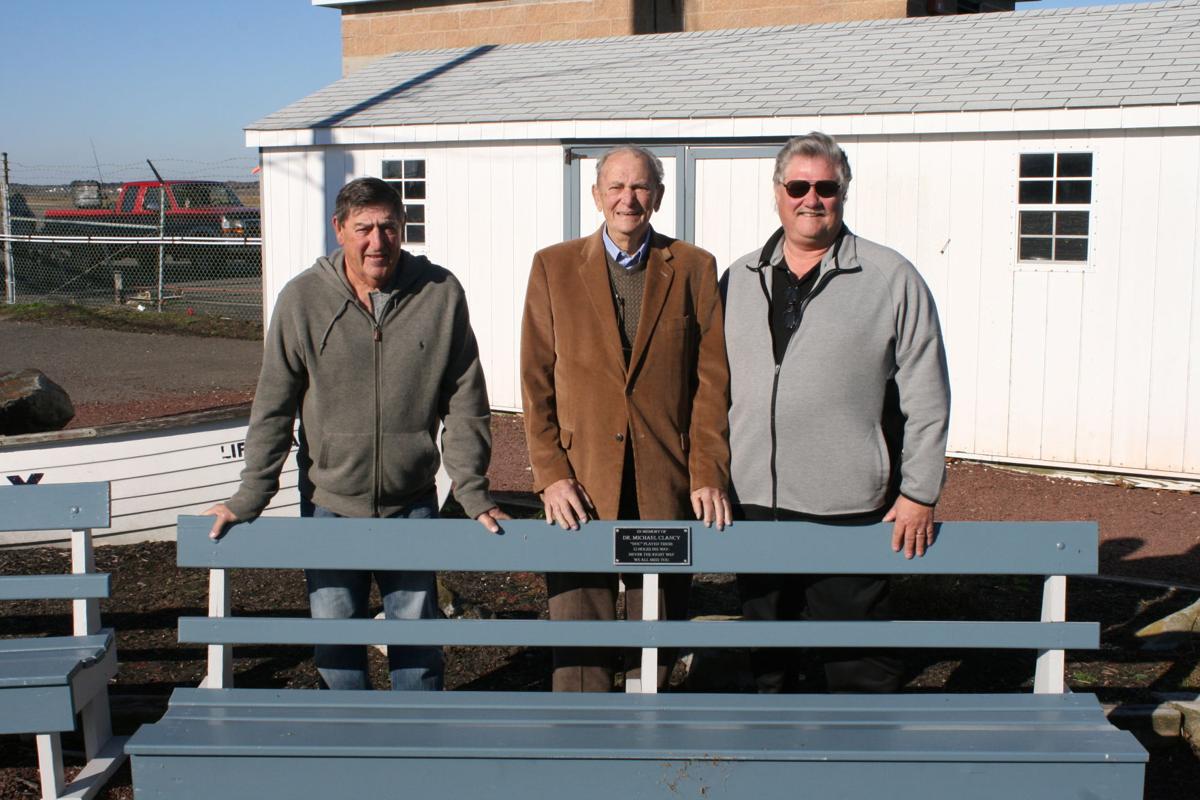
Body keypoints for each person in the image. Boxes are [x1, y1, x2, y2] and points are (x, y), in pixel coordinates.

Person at [204, 177, 508, 691]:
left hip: (411, 503)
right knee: (336, 640)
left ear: (403, 229)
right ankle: (347, 749)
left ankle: (419, 744)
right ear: (339, 230)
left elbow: (464, 400)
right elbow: (274, 405)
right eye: (363, 228)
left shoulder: (440, 294)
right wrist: (251, 493)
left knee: (417, 642)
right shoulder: (303, 299)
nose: (377, 241)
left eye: (389, 227)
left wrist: (472, 491)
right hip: (329, 504)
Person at [722, 132, 950, 693]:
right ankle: (770, 769)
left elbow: (927, 393)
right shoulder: (737, 279)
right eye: (798, 186)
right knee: (767, 665)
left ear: (843, 194)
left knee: (858, 665)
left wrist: (919, 491)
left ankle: (859, 771)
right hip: (754, 503)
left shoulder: (889, 277)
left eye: (826, 187)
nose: (811, 199)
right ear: (777, 193)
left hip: (846, 506)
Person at [521, 145, 732, 692]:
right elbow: (535, 381)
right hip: (580, 480)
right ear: (596, 195)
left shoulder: (693, 267)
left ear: (658, 197)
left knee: (656, 632)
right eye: (615, 187)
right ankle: (581, 743)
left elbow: (711, 384)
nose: (627, 199)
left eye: (639, 187)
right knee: (578, 639)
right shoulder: (554, 266)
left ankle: (649, 738)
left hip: (664, 478)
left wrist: (707, 469)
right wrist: (550, 473)